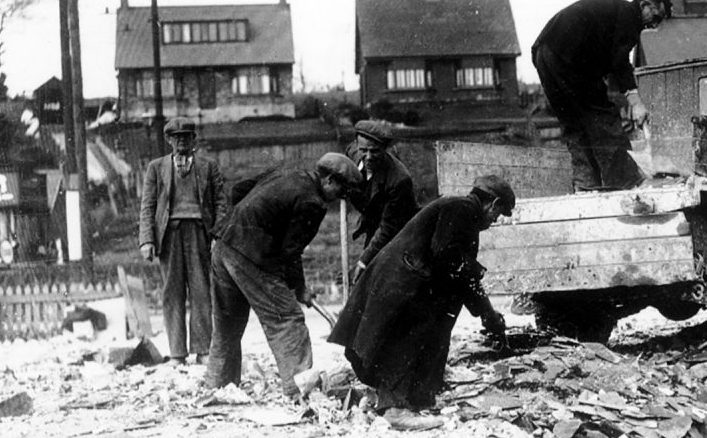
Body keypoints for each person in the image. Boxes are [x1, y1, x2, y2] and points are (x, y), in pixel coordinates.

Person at [328, 174, 514, 412]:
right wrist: (486, 309)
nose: (494, 220)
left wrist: (486, 313)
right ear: (494, 203)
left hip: (408, 282)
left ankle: (417, 399)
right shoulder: (462, 208)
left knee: (434, 330)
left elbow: (459, 272)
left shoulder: (462, 212)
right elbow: (449, 257)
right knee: (407, 339)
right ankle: (394, 408)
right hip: (404, 284)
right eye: (497, 214)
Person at [203, 152, 362, 400]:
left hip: (223, 244)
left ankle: (217, 386)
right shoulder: (313, 202)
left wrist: (247, 222)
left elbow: (239, 190)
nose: (339, 200)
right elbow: (291, 251)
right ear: (329, 180)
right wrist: (300, 290)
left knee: (227, 324)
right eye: (341, 192)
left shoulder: (289, 171)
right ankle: (300, 390)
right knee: (287, 320)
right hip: (253, 257)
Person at [532, 0, 671, 191]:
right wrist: (635, 100)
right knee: (604, 118)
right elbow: (620, 61)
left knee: (574, 125)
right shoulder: (629, 16)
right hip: (568, 56)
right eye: (656, 16)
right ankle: (628, 184)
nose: (654, 25)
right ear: (644, 5)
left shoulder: (613, 13)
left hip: (545, 54)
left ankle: (586, 186)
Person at [138, 117, 227, 363]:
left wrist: (217, 235)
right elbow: (148, 205)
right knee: (172, 293)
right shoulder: (156, 168)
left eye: (186, 137)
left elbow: (220, 203)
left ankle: (203, 350)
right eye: (176, 138)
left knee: (201, 290)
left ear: (193, 139)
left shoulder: (208, 167)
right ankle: (177, 353)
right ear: (169, 140)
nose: (181, 142)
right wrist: (147, 240)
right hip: (169, 235)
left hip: (199, 233)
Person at [347, 119, 419, 282]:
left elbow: (387, 229)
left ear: (384, 149)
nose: (369, 157)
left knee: (379, 278)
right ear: (356, 145)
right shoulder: (353, 154)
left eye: (375, 151)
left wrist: (363, 262)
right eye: (364, 150)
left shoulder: (399, 180)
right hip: (374, 224)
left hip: (400, 232)